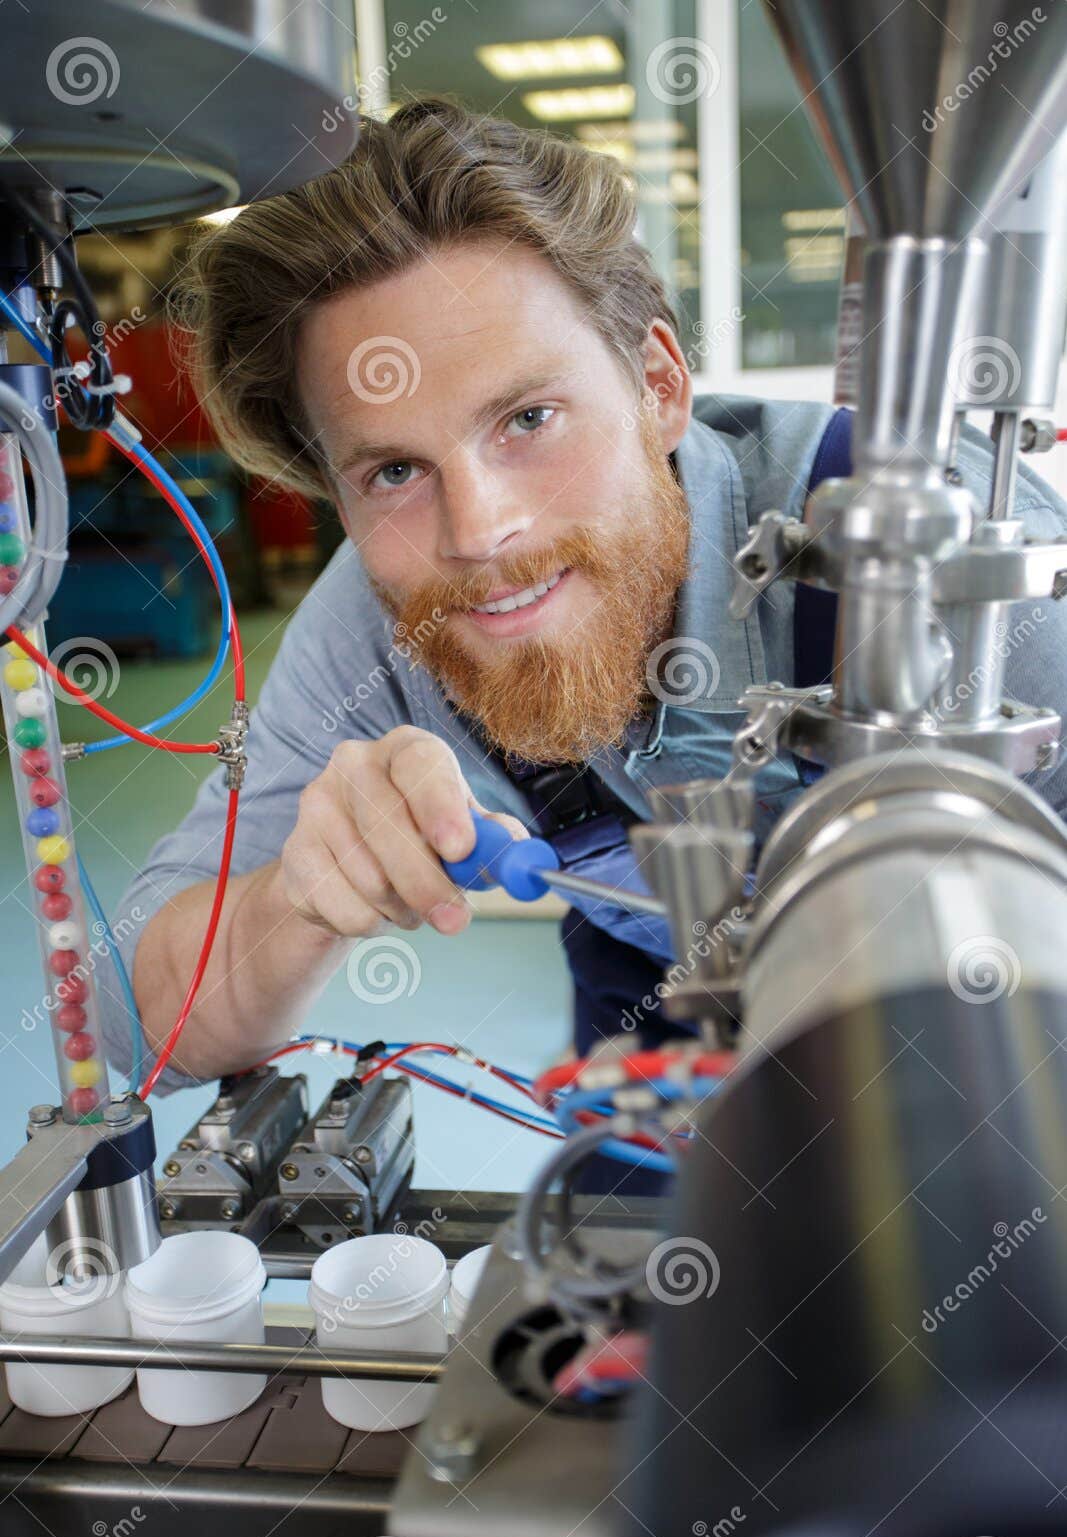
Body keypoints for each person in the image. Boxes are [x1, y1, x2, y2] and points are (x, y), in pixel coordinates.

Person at [103, 99, 1067, 1091]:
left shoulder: (961, 568)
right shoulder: (381, 616)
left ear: (657, 385)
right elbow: (126, 1028)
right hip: (656, 1072)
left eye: (527, 418)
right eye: (392, 470)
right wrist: (292, 901)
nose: (475, 533)